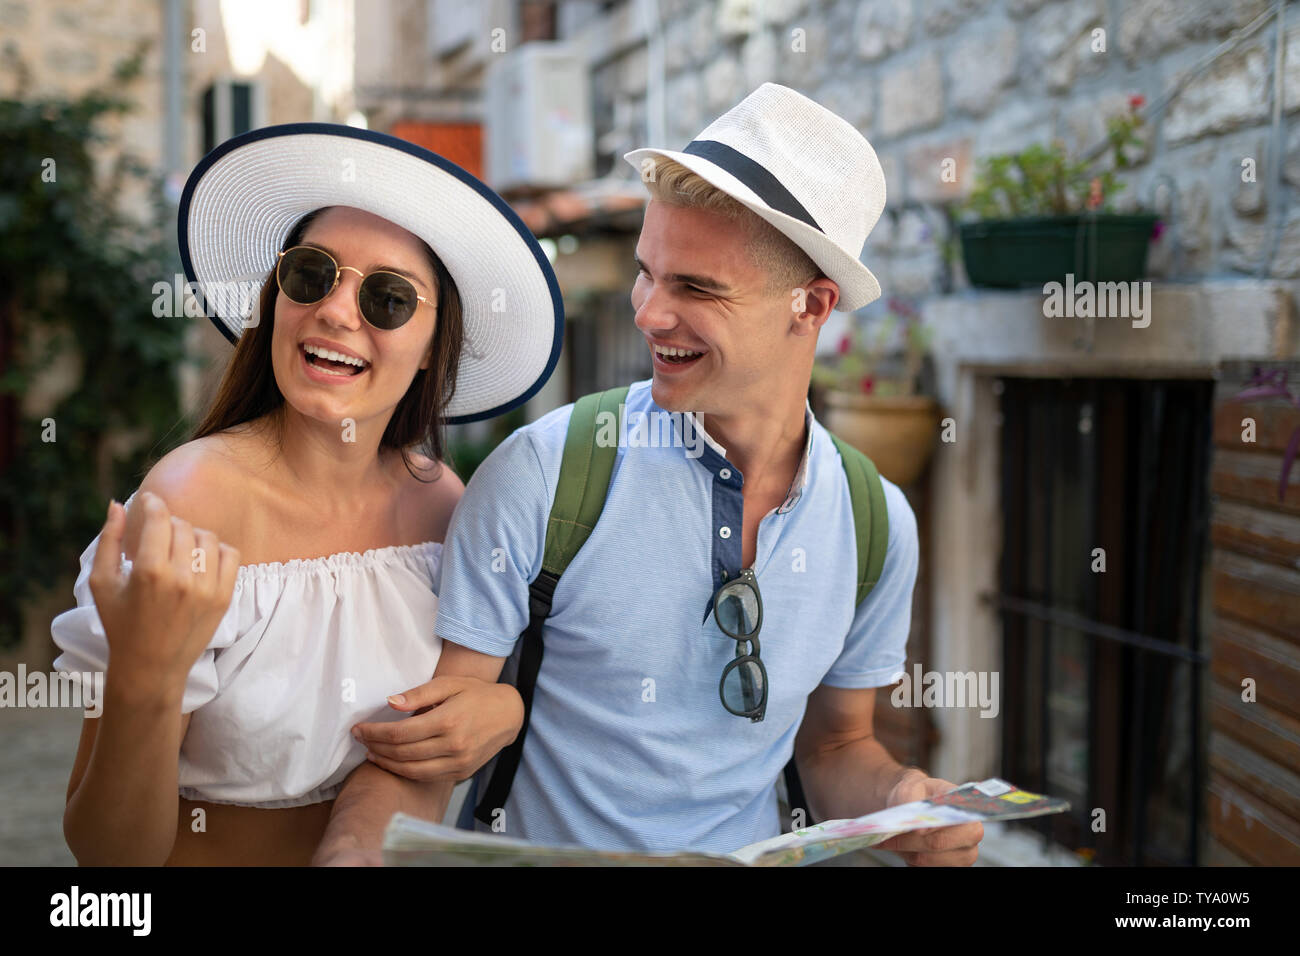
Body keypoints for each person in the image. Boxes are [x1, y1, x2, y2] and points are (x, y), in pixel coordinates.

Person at [324, 83, 983, 866]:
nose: (648, 312)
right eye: (648, 272)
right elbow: (424, 748)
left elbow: (837, 748)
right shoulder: (547, 473)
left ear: (810, 306)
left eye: (696, 288)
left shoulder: (877, 523)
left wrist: (902, 800)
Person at [51, 124, 563, 865]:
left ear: (431, 350)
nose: (334, 311)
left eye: (388, 298)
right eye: (312, 275)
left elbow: (455, 721)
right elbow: (106, 854)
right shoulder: (192, 500)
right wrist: (147, 685)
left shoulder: (445, 506)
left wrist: (507, 708)